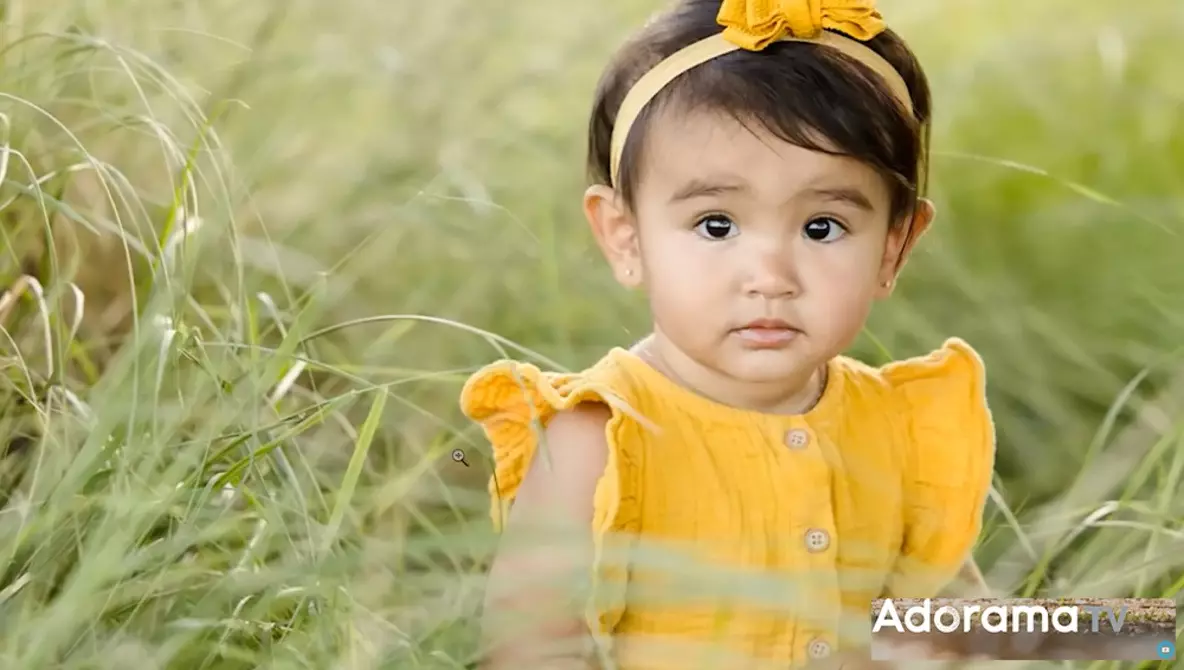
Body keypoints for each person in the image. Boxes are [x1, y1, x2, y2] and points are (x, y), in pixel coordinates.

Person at [459, 0, 997, 667]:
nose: (770, 276)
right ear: (625, 237)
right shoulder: (597, 438)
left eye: (822, 226)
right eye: (717, 225)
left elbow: (973, 631)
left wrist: (1144, 624)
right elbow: (527, 652)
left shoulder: (898, 429)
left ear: (893, 248)